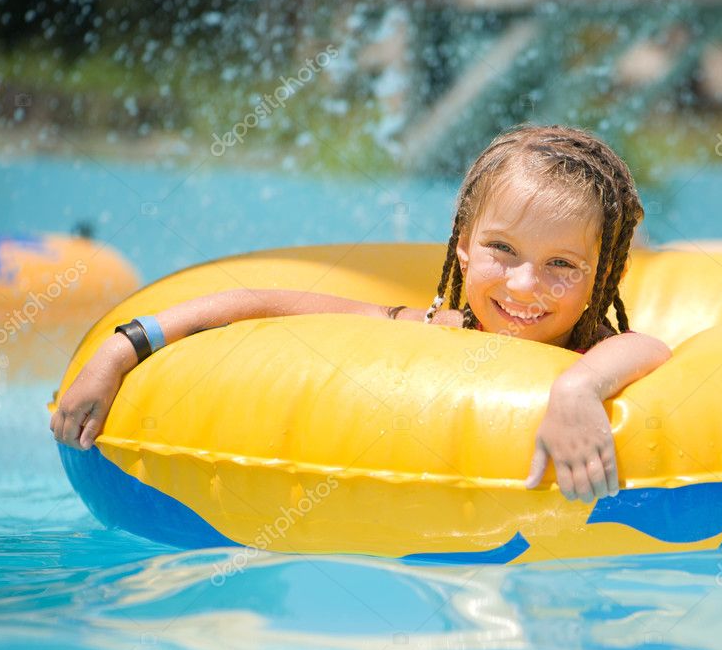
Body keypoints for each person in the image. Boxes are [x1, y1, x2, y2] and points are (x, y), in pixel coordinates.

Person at [51, 124, 672, 503]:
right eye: (502, 250)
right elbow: (257, 303)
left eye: (562, 264)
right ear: (462, 248)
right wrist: (123, 347)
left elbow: (650, 349)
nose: (524, 284)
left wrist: (578, 388)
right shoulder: (436, 332)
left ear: (601, 277)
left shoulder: (589, 353)